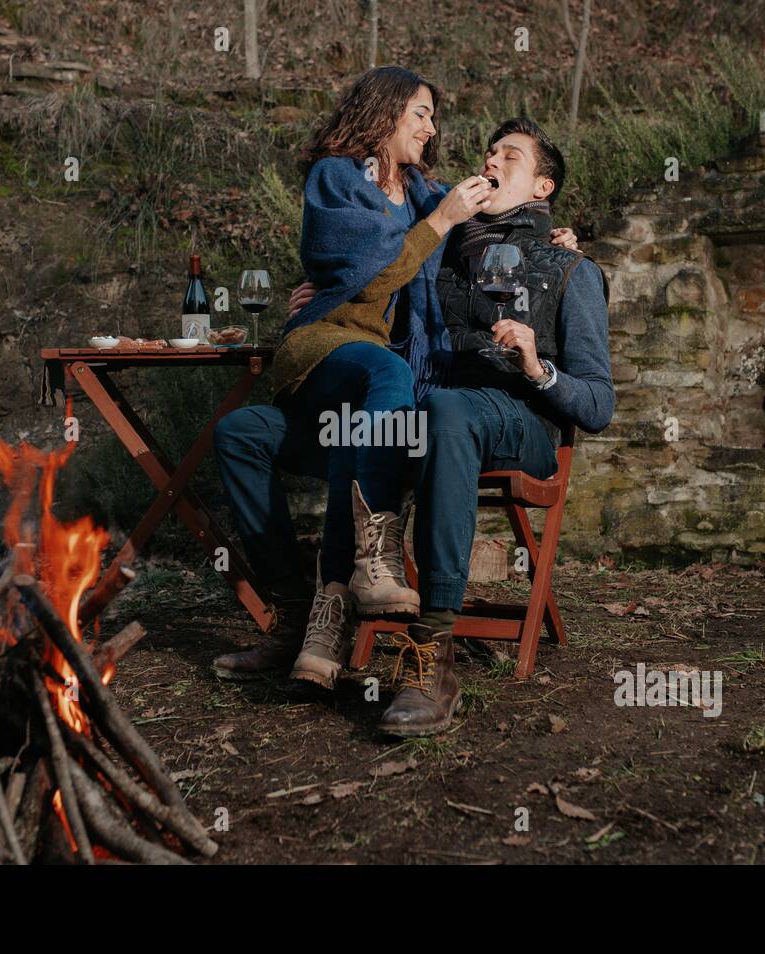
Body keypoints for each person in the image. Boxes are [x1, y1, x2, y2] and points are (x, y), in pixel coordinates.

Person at [212, 69, 577, 690]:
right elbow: (372, 272)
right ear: (383, 113)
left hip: (377, 392)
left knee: (240, 432)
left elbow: (493, 235)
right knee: (384, 373)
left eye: (433, 116)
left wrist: (554, 235)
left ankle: (312, 616)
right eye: (420, 113)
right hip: (329, 347)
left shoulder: (426, 194)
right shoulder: (335, 178)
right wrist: (424, 232)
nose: (431, 128)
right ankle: (364, 564)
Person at [378, 117, 614, 736]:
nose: (491, 157)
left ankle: (433, 654)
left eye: (510, 155)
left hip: (523, 421)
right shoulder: (438, 252)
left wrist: (538, 367)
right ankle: (317, 614)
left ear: (543, 188)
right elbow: (378, 275)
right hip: (434, 410)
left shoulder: (570, 270)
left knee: (444, 413)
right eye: (489, 150)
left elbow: (597, 406)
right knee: (348, 423)